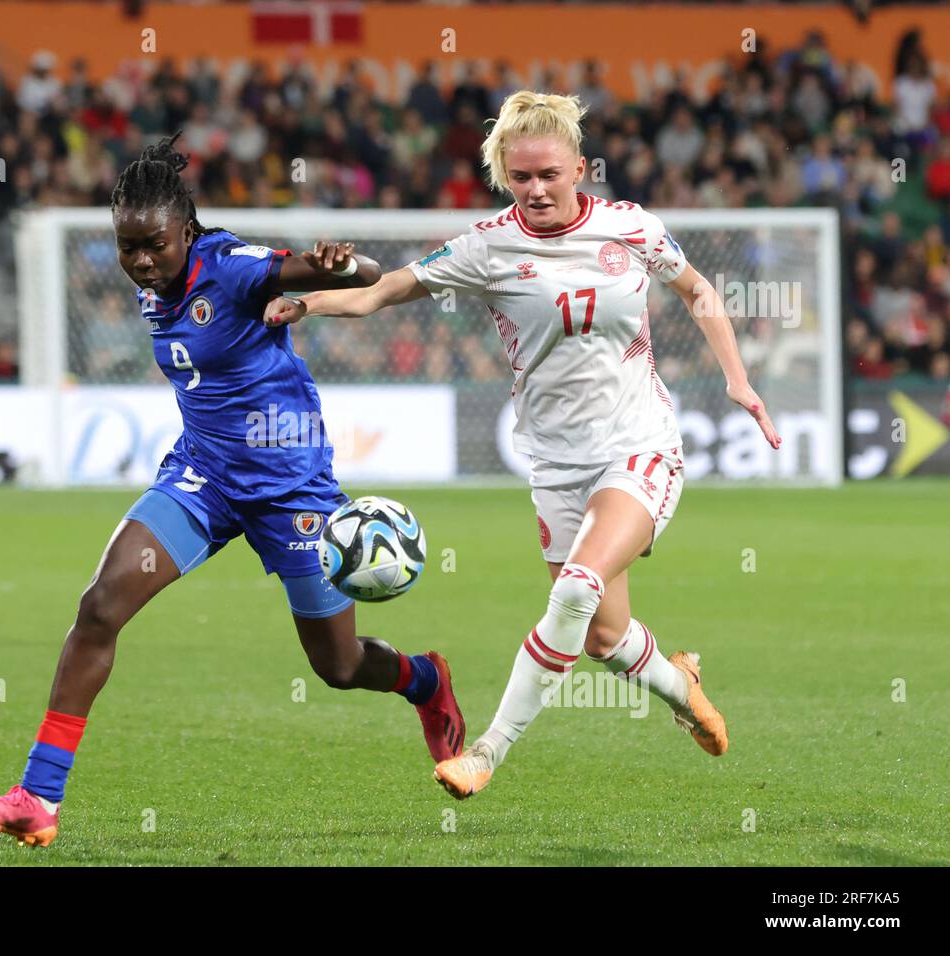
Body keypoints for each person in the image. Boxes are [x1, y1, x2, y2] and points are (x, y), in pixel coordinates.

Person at [263, 92, 782, 799]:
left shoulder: (631, 228)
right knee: (602, 637)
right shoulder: (487, 247)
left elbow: (697, 291)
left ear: (577, 166)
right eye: (521, 178)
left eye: (549, 174)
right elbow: (385, 291)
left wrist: (737, 379)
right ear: (504, 175)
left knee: (575, 587)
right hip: (556, 466)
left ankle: (486, 752)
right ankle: (680, 682)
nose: (536, 190)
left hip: (639, 446)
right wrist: (310, 303)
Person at [0, 136, 464, 846]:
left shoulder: (232, 268)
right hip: (203, 478)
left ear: (185, 232)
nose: (139, 261)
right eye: (127, 246)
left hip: (292, 489)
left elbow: (356, 274)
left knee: (339, 667)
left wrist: (342, 265)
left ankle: (424, 682)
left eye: (153, 245)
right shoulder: (151, 282)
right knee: (99, 608)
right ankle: (38, 797)